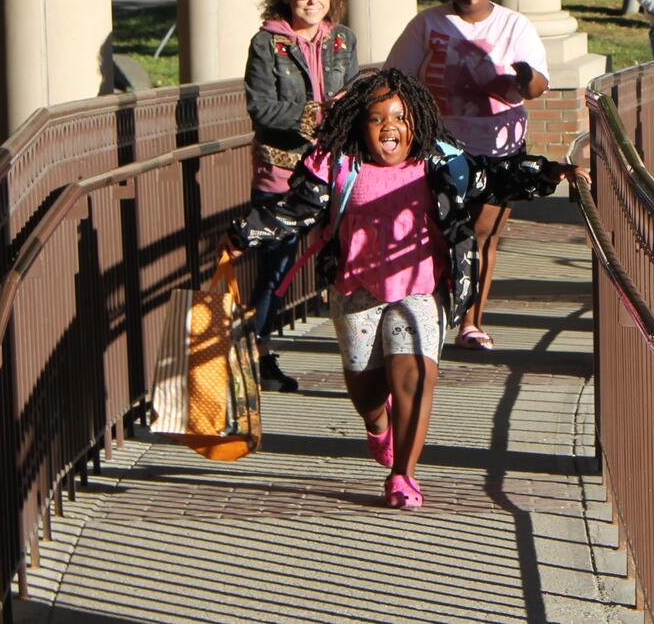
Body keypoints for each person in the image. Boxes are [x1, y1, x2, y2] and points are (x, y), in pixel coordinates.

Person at [226, 69, 588, 507]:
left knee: (415, 373)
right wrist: (244, 234)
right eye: (377, 119)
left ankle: (403, 476)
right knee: (366, 391)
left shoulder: (442, 160)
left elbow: (494, 175)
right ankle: (378, 425)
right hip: (356, 287)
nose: (390, 127)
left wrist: (552, 171)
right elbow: (294, 211)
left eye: (400, 117)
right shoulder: (339, 162)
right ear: (361, 125)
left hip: (422, 285)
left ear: (415, 121)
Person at [385, 0, 550, 351]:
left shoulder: (515, 26)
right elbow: (395, 77)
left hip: (499, 147)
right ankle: (435, 313)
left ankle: (472, 323)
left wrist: (525, 75)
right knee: (441, 231)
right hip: (439, 145)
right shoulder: (427, 24)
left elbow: (537, 88)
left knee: (482, 234)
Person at [244, 0, 358, 391]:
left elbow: (351, 100)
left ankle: (362, 356)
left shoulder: (343, 40)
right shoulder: (266, 43)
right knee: (277, 270)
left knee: (348, 264)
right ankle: (258, 356)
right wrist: (311, 114)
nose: (313, 2)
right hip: (283, 173)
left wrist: (344, 113)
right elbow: (260, 108)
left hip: (335, 172)